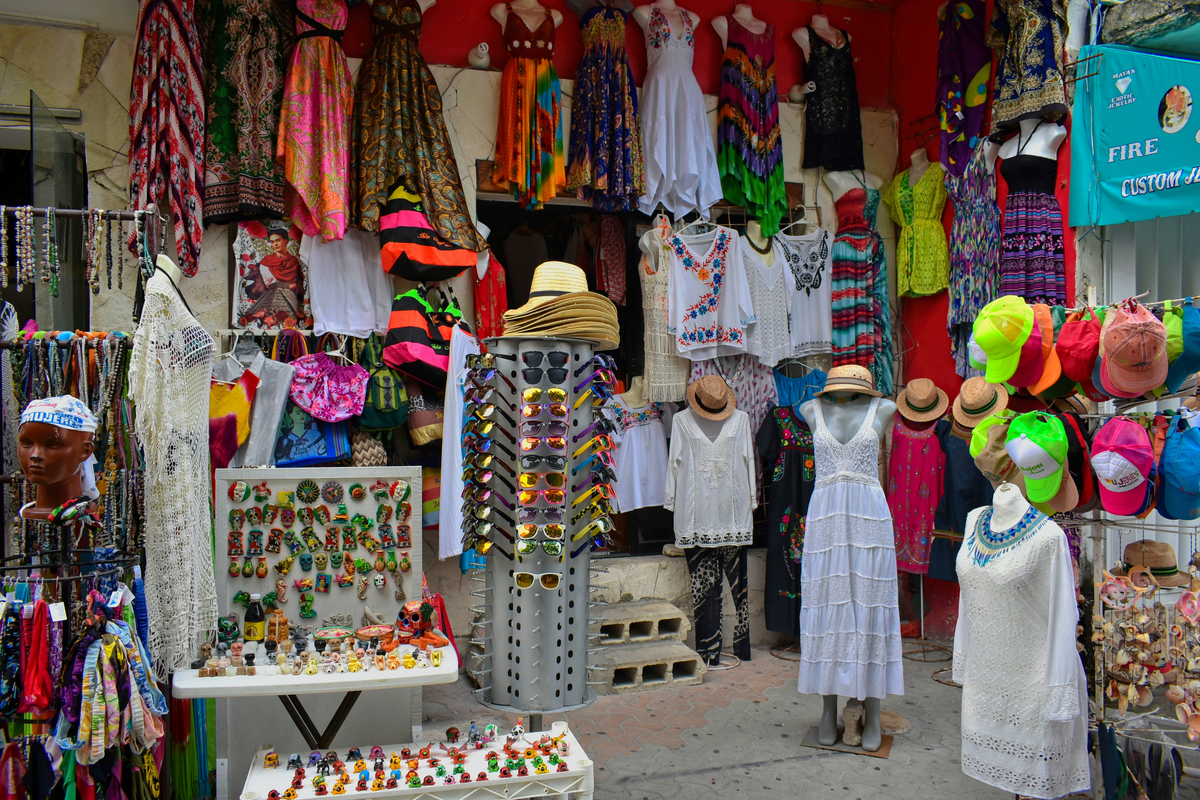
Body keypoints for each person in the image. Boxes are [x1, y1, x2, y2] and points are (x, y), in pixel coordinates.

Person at [241, 227, 306, 326]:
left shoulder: (294, 261)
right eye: (272, 241)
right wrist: (287, 286)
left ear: (286, 241)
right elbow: (270, 284)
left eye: (278, 240)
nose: (275, 244)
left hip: (291, 298)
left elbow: (299, 285)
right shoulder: (266, 262)